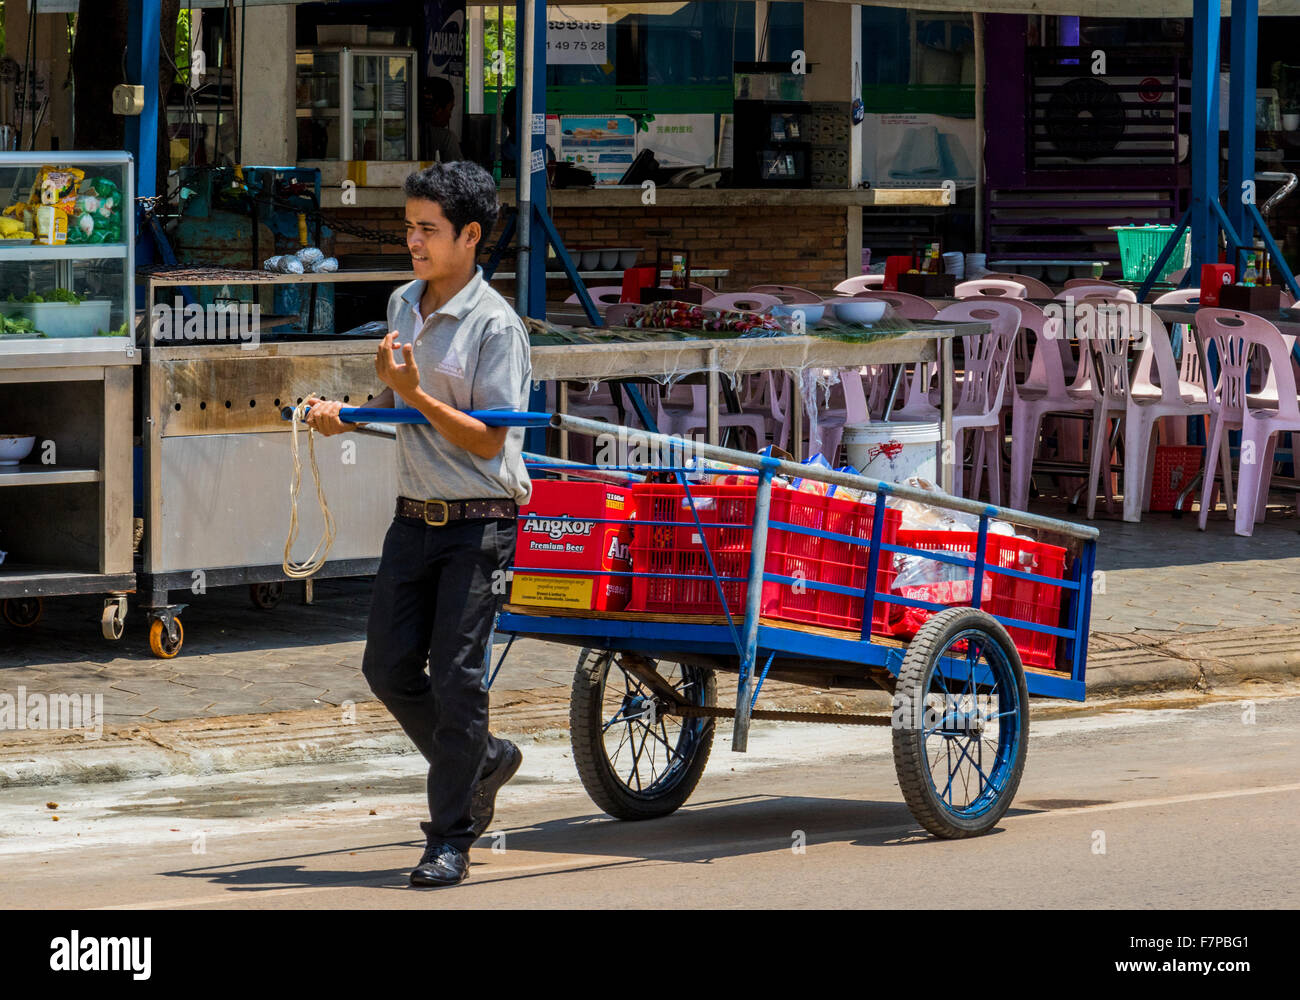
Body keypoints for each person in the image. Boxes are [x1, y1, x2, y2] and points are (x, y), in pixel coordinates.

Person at [304, 161, 529, 888]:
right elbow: (390, 406)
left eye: (427, 229)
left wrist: (412, 393)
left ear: (469, 236)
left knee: (459, 680)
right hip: (413, 519)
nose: (413, 241)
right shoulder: (403, 302)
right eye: (408, 227)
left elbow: (490, 440)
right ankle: (483, 760)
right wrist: (346, 412)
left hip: (480, 523)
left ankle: (451, 837)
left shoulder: (498, 326)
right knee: (387, 667)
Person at [425, 76, 463, 163]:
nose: (450, 116)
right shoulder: (446, 138)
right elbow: (458, 173)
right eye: (449, 109)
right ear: (438, 109)